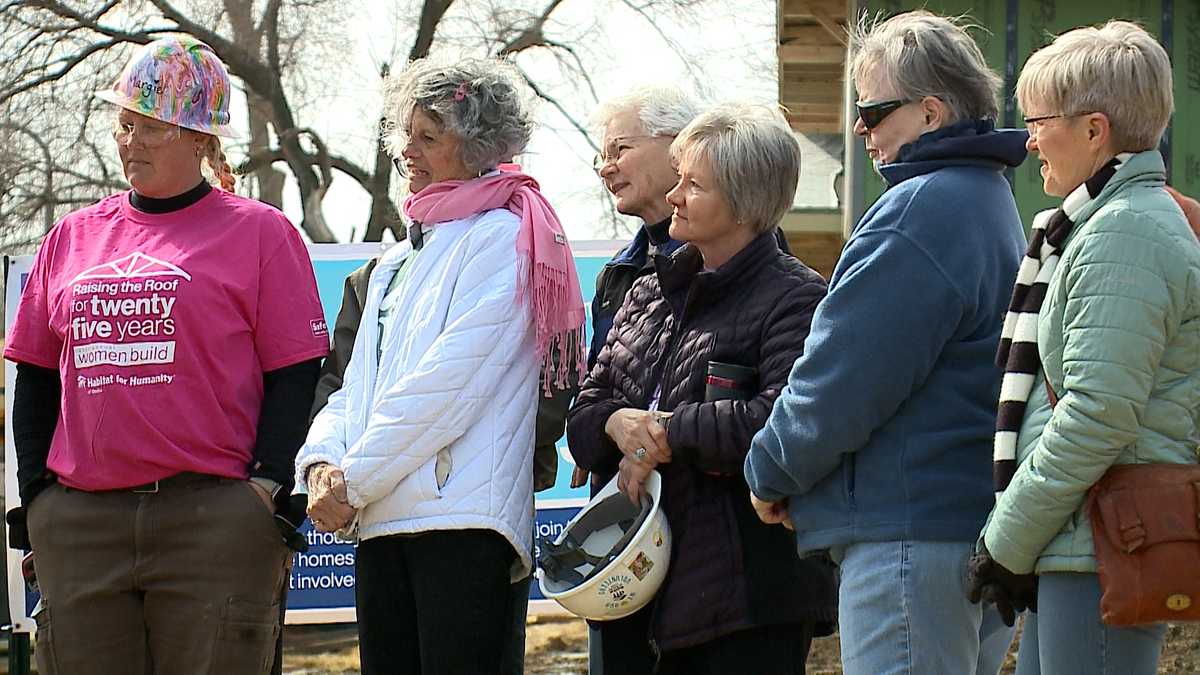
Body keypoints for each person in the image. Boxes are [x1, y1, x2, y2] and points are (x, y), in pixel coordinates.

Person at [4, 37, 327, 675]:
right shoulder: (72, 237)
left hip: (212, 522)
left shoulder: (260, 232)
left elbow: (295, 375)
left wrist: (264, 488)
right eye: (125, 123)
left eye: (150, 126)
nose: (131, 141)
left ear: (200, 138)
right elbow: (37, 376)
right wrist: (39, 497)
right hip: (83, 524)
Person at [743, 11, 1027, 675]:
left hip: (908, 539)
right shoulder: (987, 199)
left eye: (872, 111)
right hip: (965, 530)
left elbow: (842, 377)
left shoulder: (920, 211)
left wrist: (772, 467)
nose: (860, 130)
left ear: (930, 113)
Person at [294, 57, 586, 674]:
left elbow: (448, 388)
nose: (407, 151)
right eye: (404, 133)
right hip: (381, 521)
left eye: (429, 135)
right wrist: (319, 462)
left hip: (463, 523)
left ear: (479, 144)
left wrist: (353, 481)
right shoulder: (396, 259)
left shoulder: (506, 238)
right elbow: (355, 385)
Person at [567, 104, 837, 674]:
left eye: (694, 184)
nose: (674, 197)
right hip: (632, 591)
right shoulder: (645, 293)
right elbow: (585, 416)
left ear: (744, 200)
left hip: (743, 604)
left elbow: (780, 421)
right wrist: (619, 425)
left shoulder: (798, 298)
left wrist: (659, 432)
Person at [968, 21, 1200, 674]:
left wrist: (1006, 539)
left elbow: (1097, 412)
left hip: (1100, 545)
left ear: (1094, 130)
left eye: (1039, 120)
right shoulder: (1104, 225)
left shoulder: (1123, 233)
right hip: (1080, 542)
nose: (1029, 138)